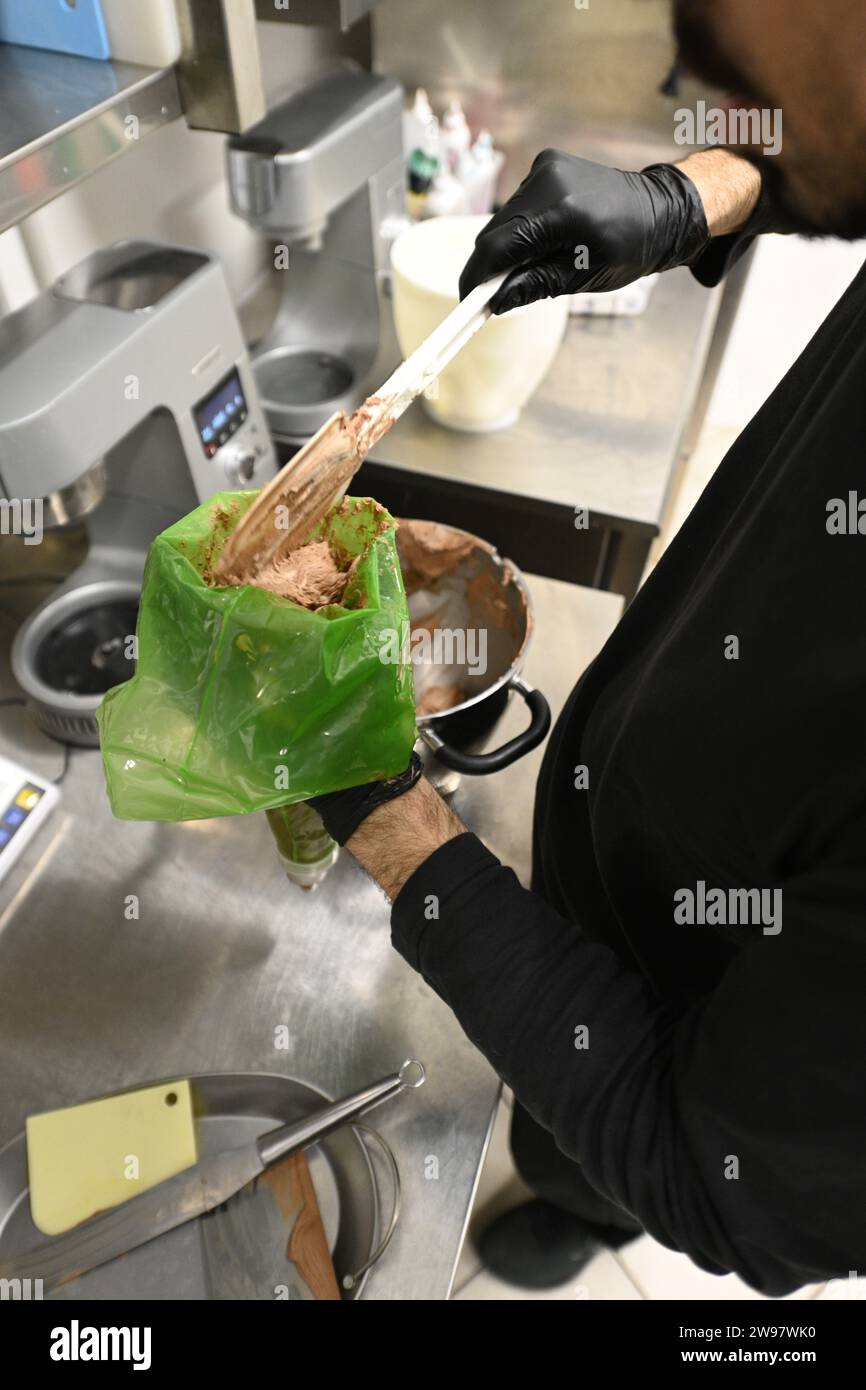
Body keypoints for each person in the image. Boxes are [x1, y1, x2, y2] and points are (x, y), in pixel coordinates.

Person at [311, 0, 866, 1294]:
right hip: (634, 853)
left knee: (601, 1136)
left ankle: (577, 1201)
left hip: (695, 1023)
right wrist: (709, 193)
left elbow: (706, 1157)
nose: (684, 61)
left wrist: (387, 819)